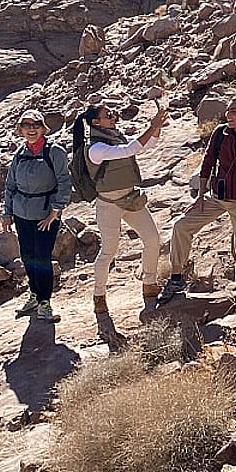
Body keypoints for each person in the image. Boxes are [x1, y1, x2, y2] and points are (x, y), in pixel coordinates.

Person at [159, 91, 236, 304]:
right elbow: (208, 162)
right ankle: (176, 277)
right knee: (182, 226)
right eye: (228, 111)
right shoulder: (220, 133)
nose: (228, 115)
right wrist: (200, 194)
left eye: (234, 111)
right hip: (218, 196)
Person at [78, 99, 168, 316]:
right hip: (108, 205)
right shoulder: (96, 148)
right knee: (109, 251)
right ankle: (99, 295)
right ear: (95, 123)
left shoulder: (115, 138)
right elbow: (130, 149)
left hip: (130, 198)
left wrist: (155, 129)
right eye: (108, 115)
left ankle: (149, 284)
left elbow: (147, 145)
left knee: (152, 239)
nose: (114, 117)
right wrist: (152, 126)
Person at [3, 109, 71, 323]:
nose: (31, 129)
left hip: (45, 214)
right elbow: (11, 184)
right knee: (28, 256)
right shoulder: (20, 153)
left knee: (42, 257)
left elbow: (64, 182)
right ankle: (34, 295)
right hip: (22, 214)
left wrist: (56, 211)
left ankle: (44, 302)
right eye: (27, 125)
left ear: (43, 128)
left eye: (36, 125)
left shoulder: (54, 151)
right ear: (20, 129)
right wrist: (7, 212)